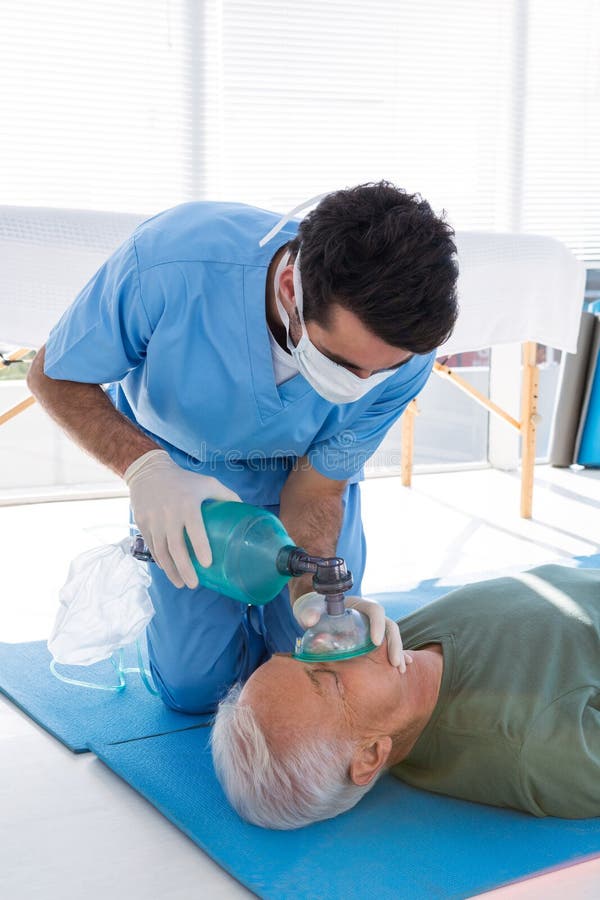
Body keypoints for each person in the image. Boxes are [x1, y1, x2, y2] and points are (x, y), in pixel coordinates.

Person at [27, 181, 458, 713]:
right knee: (193, 691)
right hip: (182, 481)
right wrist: (144, 469)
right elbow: (54, 376)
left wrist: (314, 600)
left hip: (302, 478)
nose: (363, 381)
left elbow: (319, 484)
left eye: (382, 370)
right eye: (344, 364)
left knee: (316, 660)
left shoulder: (410, 348)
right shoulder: (172, 263)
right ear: (287, 289)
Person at [212, 564, 600, 829]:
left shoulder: (395, 652)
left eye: (300, 651)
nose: (325, 639)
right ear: (369, 755)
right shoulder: (536, 748)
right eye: (328, 678)